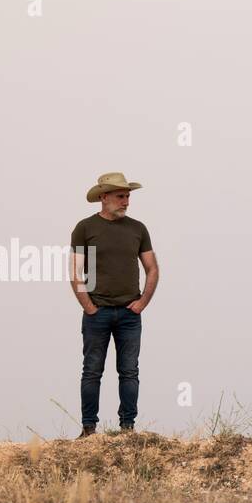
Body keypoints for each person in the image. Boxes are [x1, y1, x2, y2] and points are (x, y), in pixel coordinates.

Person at [70, 172, 159, 438]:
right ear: (103, 197)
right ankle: (89, 429)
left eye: (128, 196)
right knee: (92, 370)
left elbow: (152, 268)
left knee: (129, 371)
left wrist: (142, 302)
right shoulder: (86, 228)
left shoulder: (137, 229)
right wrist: (88, 306)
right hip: (97, 312)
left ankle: (127, 428)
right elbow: (76, 271)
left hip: (130, 313)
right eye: (121, 196)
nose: (126, 201)